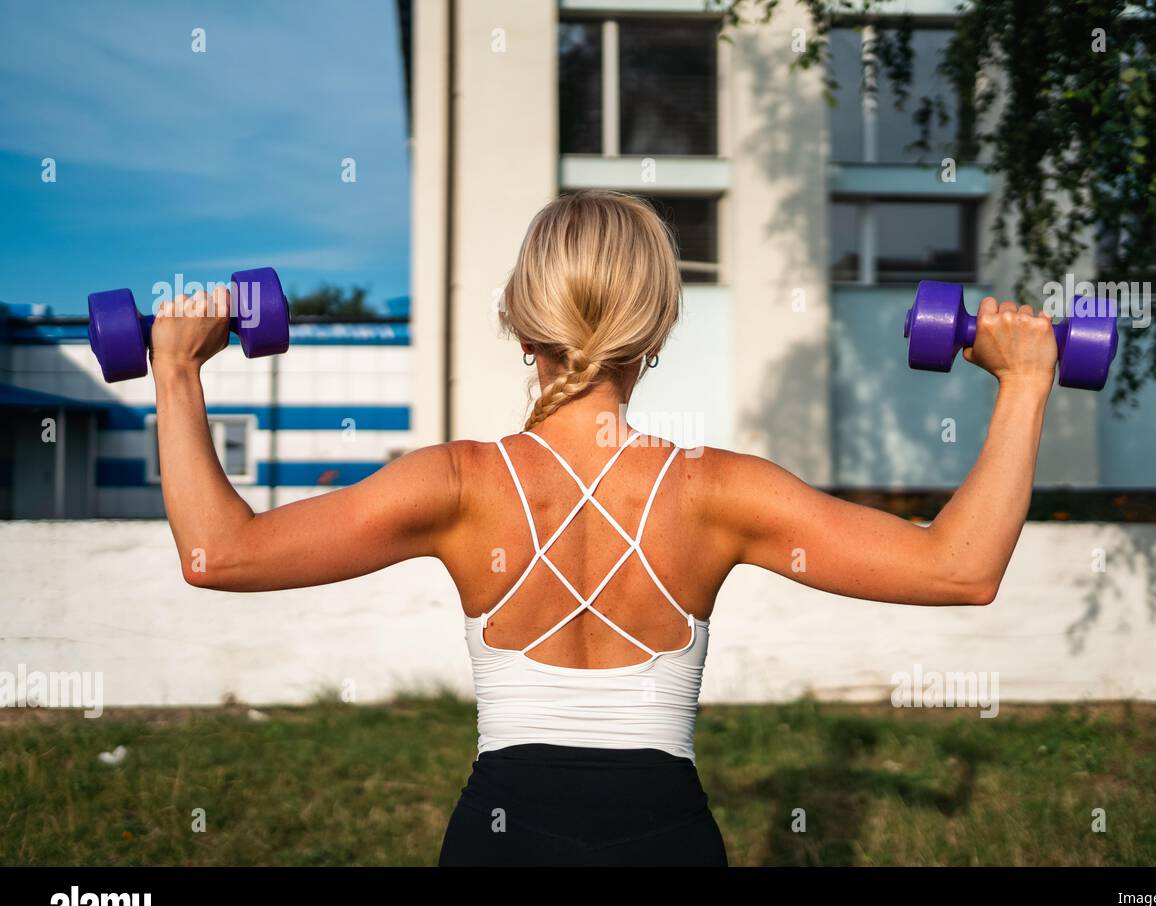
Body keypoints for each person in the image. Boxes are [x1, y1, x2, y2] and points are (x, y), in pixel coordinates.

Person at [150, 189, 1059, 866]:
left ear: (519, 322)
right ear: (657, 328)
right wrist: (1022, 383)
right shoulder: (719, 491)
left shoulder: (457, 482)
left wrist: (178, 372)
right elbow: (958, 568)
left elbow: (216, 553)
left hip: (502, 834)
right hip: (665, 835)